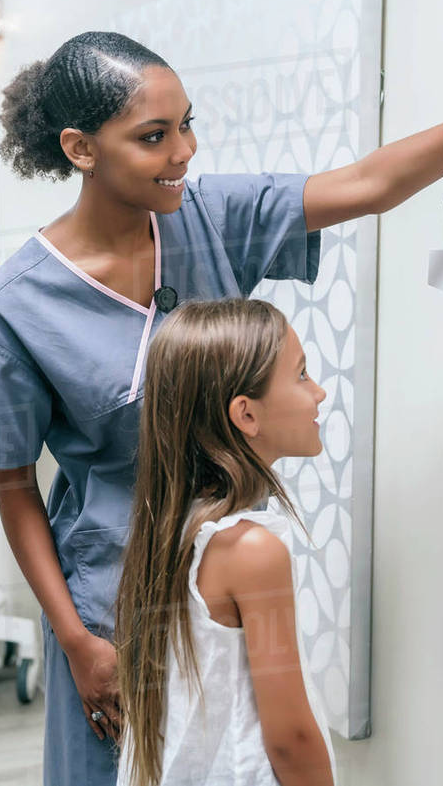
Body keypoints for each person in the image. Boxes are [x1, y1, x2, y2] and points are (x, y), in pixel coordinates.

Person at [0, 30, 443, 786]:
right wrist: (76, 639)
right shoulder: (18, 307)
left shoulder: (207, 216)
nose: (185, 152)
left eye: (186, 124)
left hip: (225, 588)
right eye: (153, 137)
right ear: (81, 148)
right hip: (115, 607)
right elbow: (13, 485)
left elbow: (369, 182)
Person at [114, 297, 334, 786]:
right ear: (246, 415)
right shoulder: (252, 553)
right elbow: (290, 738)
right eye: (301, 375)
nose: (318, 392)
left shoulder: (176, 526)